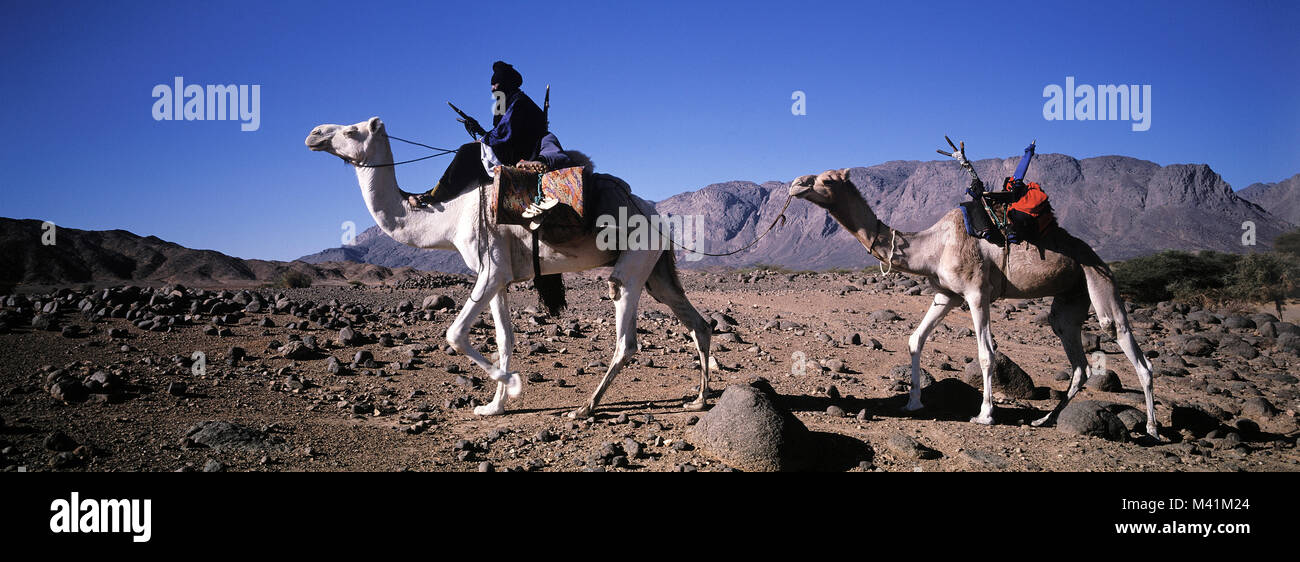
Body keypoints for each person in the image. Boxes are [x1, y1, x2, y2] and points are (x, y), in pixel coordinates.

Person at [408, 61, 549, 208]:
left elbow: (503, 134)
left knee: (466, 151)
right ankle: (434, 192)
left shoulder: (518, 102)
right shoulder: (507, 100)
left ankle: (435, 195)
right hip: (510, 148)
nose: (493, 89)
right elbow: (500, 131)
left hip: (522, 154)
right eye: (492, 85)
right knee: (471, 151)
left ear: (505, 84)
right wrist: (478, 129)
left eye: (496, 84)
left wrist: (482, 139)